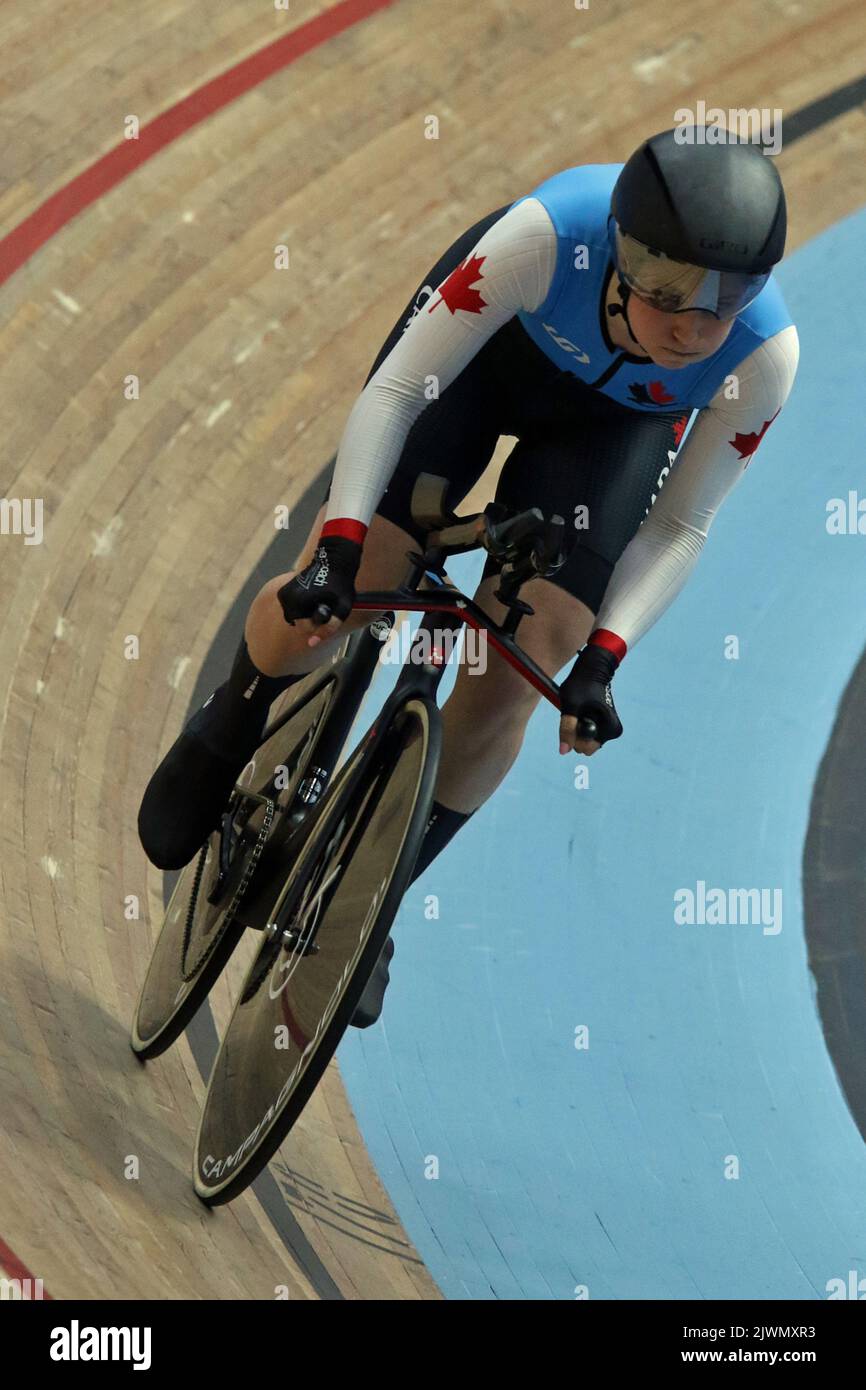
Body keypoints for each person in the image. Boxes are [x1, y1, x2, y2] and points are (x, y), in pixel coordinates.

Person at [138, 127, 799, 1026]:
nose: (695, 326)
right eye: (674, 295)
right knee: (359, 573)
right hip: (479, 374)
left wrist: (604, 657)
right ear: (621, 259)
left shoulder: (760, 357)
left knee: (534, 652)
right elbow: (400, 391)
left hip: (603, 440)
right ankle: (235, 715)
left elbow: (682, 525)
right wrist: (336, 541)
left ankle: (372, 901)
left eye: (727, 301)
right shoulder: (542, 240)